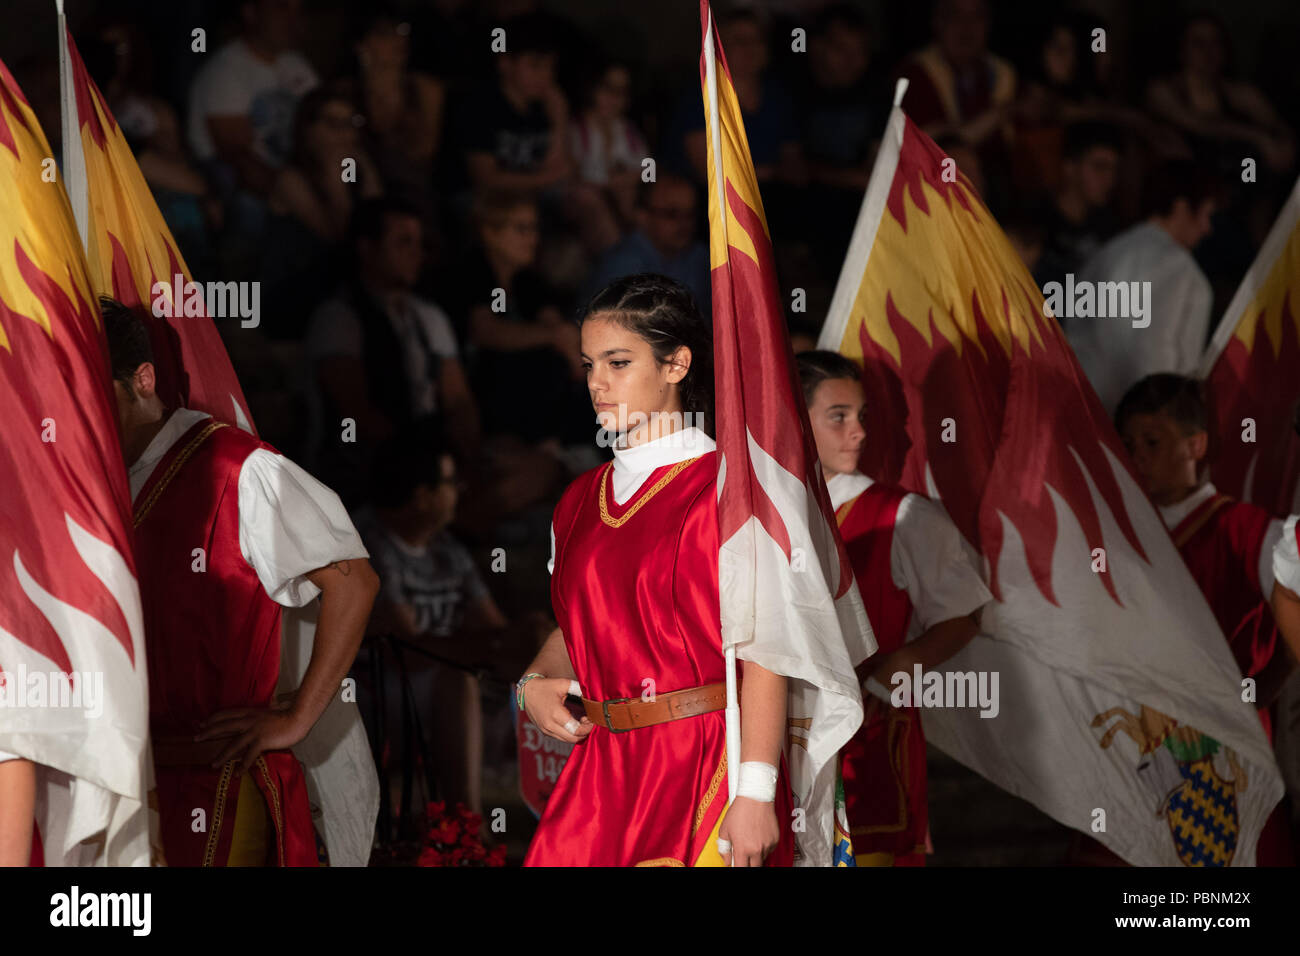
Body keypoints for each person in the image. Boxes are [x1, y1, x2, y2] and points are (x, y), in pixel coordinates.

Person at [520, 274, 796, 866]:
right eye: (589, 363)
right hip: (603, 765)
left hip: (704, 756)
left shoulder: (733, 488)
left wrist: (754, 792)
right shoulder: (575, 500)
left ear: (676, 365)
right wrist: (536, 679)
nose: (596, 382)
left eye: (619, 363)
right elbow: (584, 626)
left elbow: (767, 649)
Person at [103, 297, 380, 866]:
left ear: (143, 380)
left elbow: (354, 583)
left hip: (218, 783)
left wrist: (297, 716)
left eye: (87, 391)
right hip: (125, 784)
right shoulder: (90, 484)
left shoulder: (238, 468)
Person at [796, 350, 990, 866]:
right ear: (793, 417)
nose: (857, 432)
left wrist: (892, 673)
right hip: (786, 743)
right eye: (838, 417)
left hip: (873, 743)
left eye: (862, 417)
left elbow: (965, 616)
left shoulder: (903, 515)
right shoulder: (764, 515)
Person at [1115, 373, 1297, 865]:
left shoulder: (1249, 532)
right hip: (1144, 751)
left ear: (1195, 444)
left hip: (1224, 755)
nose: (1139, 458)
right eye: (1129, 445)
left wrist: (1259, 689)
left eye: (1153, 442)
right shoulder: (1120, 538)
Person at [354, 435, 528, 818]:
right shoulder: (366, 544)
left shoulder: (446, 547)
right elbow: (405, 649)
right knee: (457, 678)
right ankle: (466, 829)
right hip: (373, 693)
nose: (459, 491)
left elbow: (498, 631)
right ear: (420, 495)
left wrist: (527, 644)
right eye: (450, 483)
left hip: (433, 686)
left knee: (541, 675)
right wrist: (494, 647)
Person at [308, 197, 480, 507]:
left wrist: (465, 458)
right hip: (369, 466)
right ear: (367, 248)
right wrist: (422, 465)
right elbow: (355, 413)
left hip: (432, 449)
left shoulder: (429, 316)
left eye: (419, 243)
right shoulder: (338, 318)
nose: (417, 253)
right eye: (403, 242)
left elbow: (458, 402)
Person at [1066, 161, 1219, 414]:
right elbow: (1161, 358)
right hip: (1144, 426)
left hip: (1082, 417)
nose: (1207, 228)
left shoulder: (1103, 255)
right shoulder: (1182, 270)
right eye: (1205, 214)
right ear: (1181, 208)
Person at [580, 175, 710, 313]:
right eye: (672, 214)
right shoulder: (623, 265)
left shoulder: (700, 256)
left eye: (690, 214)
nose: (684, 224)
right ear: (642, 216)